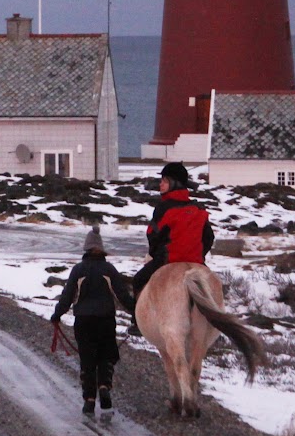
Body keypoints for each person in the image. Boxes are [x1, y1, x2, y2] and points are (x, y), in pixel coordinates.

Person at [51, 224, 134, 417]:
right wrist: (136, 313)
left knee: (87, 360)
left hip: (83, 321)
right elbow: (122, 295)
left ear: (86, 249)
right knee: (107, 355)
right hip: (105, 319)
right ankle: (104, 386)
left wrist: (57, 315)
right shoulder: (109, 269)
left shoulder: (78, 270)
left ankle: (89, 400)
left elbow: (67, 297)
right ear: (101, 249)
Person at [129, 161, 214, 335]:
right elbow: (209, 238)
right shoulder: (198, 209)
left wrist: (156, 254)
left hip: (167, 261)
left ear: (174, 183)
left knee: (138, 280)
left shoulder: (163, 208)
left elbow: (153, 235)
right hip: (196, 262)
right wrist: (199, 256)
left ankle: (138, 322)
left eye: (165, 180)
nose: (160, 184)